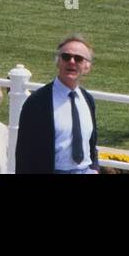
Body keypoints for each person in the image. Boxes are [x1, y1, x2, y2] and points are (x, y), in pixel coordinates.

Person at [15, 36, 99, 174]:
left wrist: (94, 168)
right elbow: (24, 153)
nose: (71, 62)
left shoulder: (87, 99)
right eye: (66, 57)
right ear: (58, 62)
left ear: (87, 66)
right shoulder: (38, 101)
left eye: (78, 58)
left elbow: (91, 143)